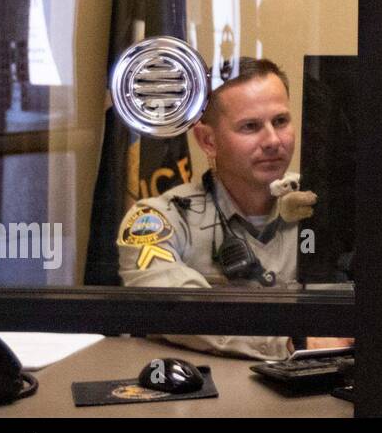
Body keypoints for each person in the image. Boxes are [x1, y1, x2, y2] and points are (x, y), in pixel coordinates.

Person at [116, 57, 349, 361]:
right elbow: (179, 311)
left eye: (280, 121)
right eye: (250, 127)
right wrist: (292, 342)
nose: (272, 140)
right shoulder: (160, 220)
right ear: (208, 140)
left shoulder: (323, 208)